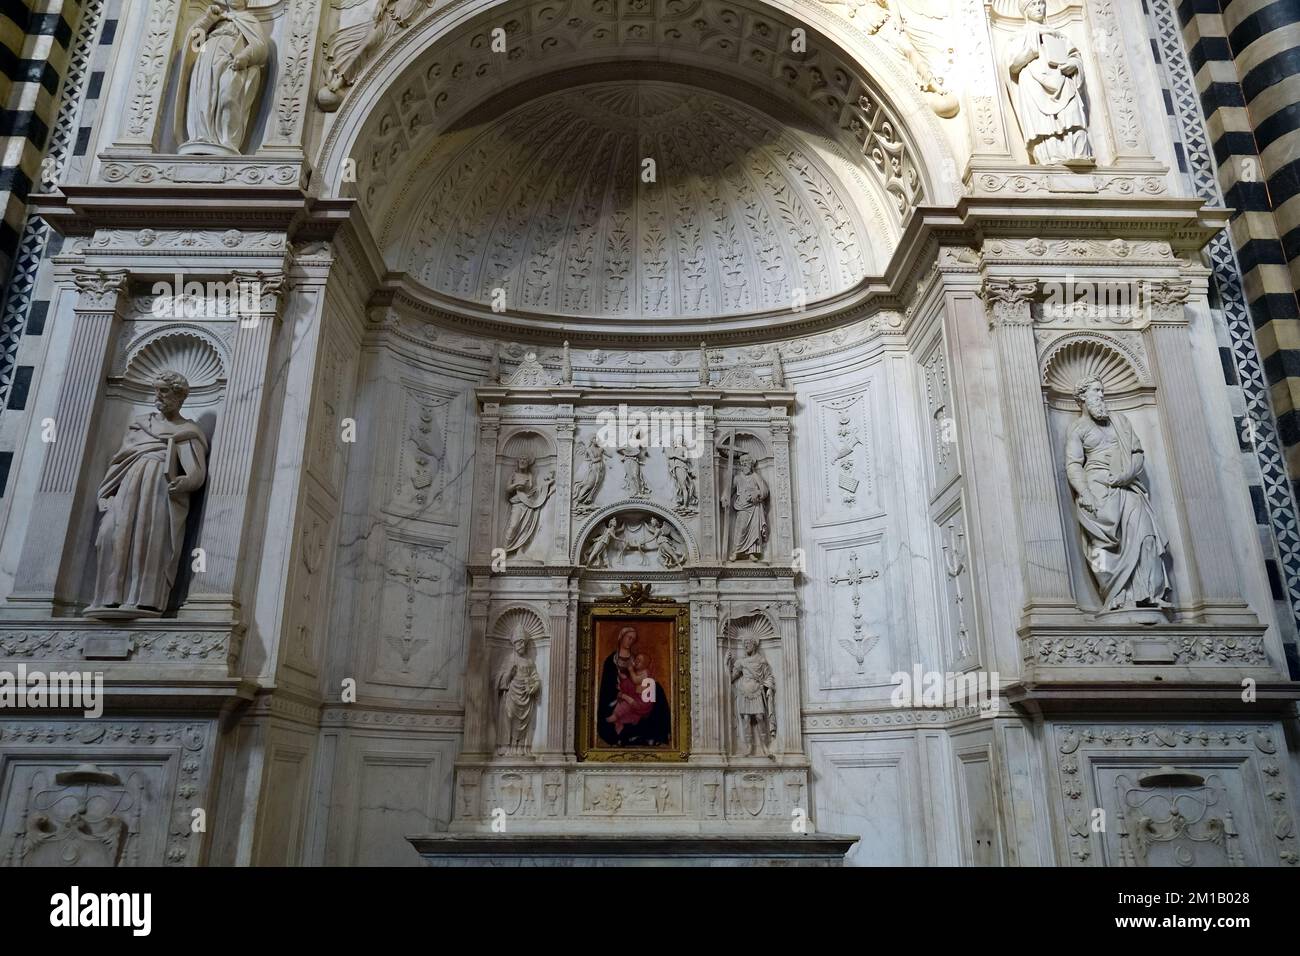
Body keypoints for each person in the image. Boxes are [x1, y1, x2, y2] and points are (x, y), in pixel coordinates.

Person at [88, 373, 208, 618]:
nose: (158, 396)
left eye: (164, 391)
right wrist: (106, 492)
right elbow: (120, 460)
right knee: (109, 534)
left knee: (150, 540)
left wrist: (185, 482)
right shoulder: (141, 424)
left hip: (159, 494)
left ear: (179, 396)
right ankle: (108, 597)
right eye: (157, 390)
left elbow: (196, 472)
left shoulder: (187, 431)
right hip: (128, 489)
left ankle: (143, 599)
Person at [1065, 376, 1171, 610]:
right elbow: (1073, 464)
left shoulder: (1120, 421)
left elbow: (1137, 453)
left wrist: (1126, 475)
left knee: (1147, 537)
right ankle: (1115, 594)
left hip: (1126, 486)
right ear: (1082, 397)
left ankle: (1150, 592)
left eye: (1102, 390)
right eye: (1096, 391)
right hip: (1097, 490)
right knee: (1099, 547)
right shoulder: (1078, 428)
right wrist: (1085, 493)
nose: (1101, 395)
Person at [1007, 0, 1093, 166]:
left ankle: (1078, 154)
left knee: (1072, 114)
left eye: (1041, 3)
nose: (1039, 7)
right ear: (1025, 10)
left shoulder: (1057, 34)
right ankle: (1050, 156)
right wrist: (1030, 52)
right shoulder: (1019, 37)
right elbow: (1012, 65)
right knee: (1043, 123)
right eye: (1033, 4)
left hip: (1062, 80)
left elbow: (1075, 56)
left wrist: (1073, 65)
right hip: (1034, 84)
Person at [179, 1, 270, 155]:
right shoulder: (217, 18)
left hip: (232, 60)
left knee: (228, 97)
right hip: (206, 59)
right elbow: (195, 47)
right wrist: (207, 21)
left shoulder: (249, 19)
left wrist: (246, 56)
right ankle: (202, 136)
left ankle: (227, 140)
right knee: (203, 96)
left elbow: (261, 46)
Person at [597, 625, 670, 746]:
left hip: (635, 691)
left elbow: (642, 676)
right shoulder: (612, 660)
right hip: (616, 693)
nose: (630, 641)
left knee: (657, 690)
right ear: (621, 637)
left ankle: (655, 733)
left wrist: (642, 686)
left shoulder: (635, 658)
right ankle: (621, 732)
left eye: (633, 639)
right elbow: (608, 683)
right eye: (628, 637)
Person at [606, 652, 655, 735]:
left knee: (626, 701)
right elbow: (632, 682)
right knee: (623, 703)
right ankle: (618, 720)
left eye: (639, 661)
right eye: (636, 659)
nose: (636, 661)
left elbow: (635, 680)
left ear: (645, 665)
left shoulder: (645, 673)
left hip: (642, 702)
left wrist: (631, 670)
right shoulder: (638, 672)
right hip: (636, 697)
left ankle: (615, 717)